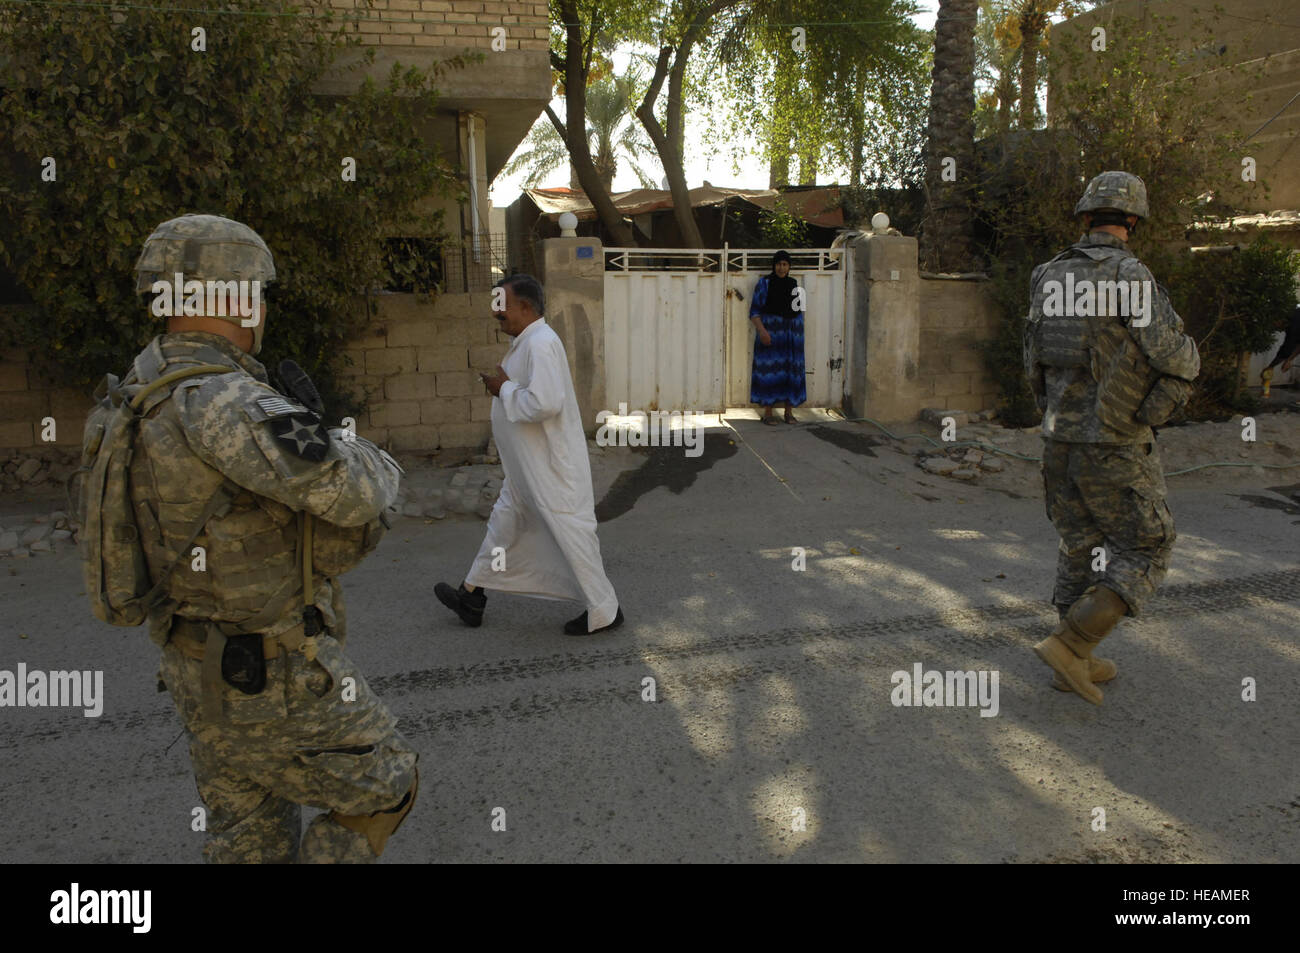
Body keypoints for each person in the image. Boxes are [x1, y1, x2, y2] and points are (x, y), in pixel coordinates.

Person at [106, 213, 418, 862]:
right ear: (235, 297)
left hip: (194, 662)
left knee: (247, 836)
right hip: (267, 672)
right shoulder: (226, 401)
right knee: (387, 781)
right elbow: (362, 485)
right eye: (260, 292)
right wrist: (340, 440)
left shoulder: (137, 391)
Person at [1023, 172, 1200, 705]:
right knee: (1149, 543)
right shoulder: (1129, 276)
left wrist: (1052, 415)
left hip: (1059, 439)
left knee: (1080, 544)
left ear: (1083, 218)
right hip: (1114, 440)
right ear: (1132, 222)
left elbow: (1031, 357)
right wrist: (1186, 367)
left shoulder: (1046, 275)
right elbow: (1171, 353)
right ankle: (1071, 642)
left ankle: (1073, 662)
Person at [434, 274, 623, 636]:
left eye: (501, 305)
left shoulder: (540, 343)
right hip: (527, 467)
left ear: (525, 306)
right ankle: (471, 596)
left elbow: (545, 403)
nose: (496, 313)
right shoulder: (527, 343)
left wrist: (503, 388)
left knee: (570, 534)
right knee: (503, 527)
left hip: (549, 468)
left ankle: (605, 610)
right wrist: (506, 388)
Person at [749, 250, 806, 424]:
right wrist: (762, 331)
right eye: (779, 264)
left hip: (790, 337)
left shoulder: (795, 285)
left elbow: (799, 313)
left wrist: (797, 340)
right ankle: (768, 414)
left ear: (789, 267)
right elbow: (754, 312)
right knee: (769, 373)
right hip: (770, 336)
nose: (782, 268)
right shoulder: (764, 284)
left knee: (790, 372)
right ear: (774, 266)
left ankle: (789, 413)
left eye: (785, 264)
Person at [1260, 303, 1300, 397]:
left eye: (1275, 325)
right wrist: (1289, 360)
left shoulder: (1294, 325)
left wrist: (1271, 366)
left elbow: (1287, 349)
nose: (1278, 329)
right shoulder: (1294, 317)